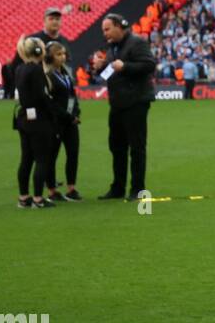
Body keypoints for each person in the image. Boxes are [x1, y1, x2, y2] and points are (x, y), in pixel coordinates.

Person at [90, 13, 156, 199]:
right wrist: (102, 67)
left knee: (136, 148)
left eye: (108, 29)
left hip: (136, 102)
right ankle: (118, 188)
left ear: (120, 26)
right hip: (118, 103)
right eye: (103, 30)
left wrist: (125, 66)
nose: (105, 34)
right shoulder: (113, 48)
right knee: (117, 147)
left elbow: (149, 65)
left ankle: (137, 189)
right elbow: (110, 74)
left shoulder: (137, 42)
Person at [13, 37, 57, 209]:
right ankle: (38, 198)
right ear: (38, 51)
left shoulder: (20, 69)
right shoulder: (36, 70)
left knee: (26, 159)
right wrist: (53, 110)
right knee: (42, 159)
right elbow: (41, 96)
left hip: (24, 118)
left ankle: (24, 197)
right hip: (39, 120)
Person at [43, 41, 83, 202]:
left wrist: (76, 112)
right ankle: (52, 190)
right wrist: (69, 116)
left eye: (64, 53)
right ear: (50, 57)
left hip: (70, 122)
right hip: (56, 122)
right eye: (59, 54)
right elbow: (51, 103)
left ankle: (71, 188)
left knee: (73, 154)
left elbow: (72, 95)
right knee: (52, 156)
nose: (63, 57)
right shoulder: (48, 76)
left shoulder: (65, 73)